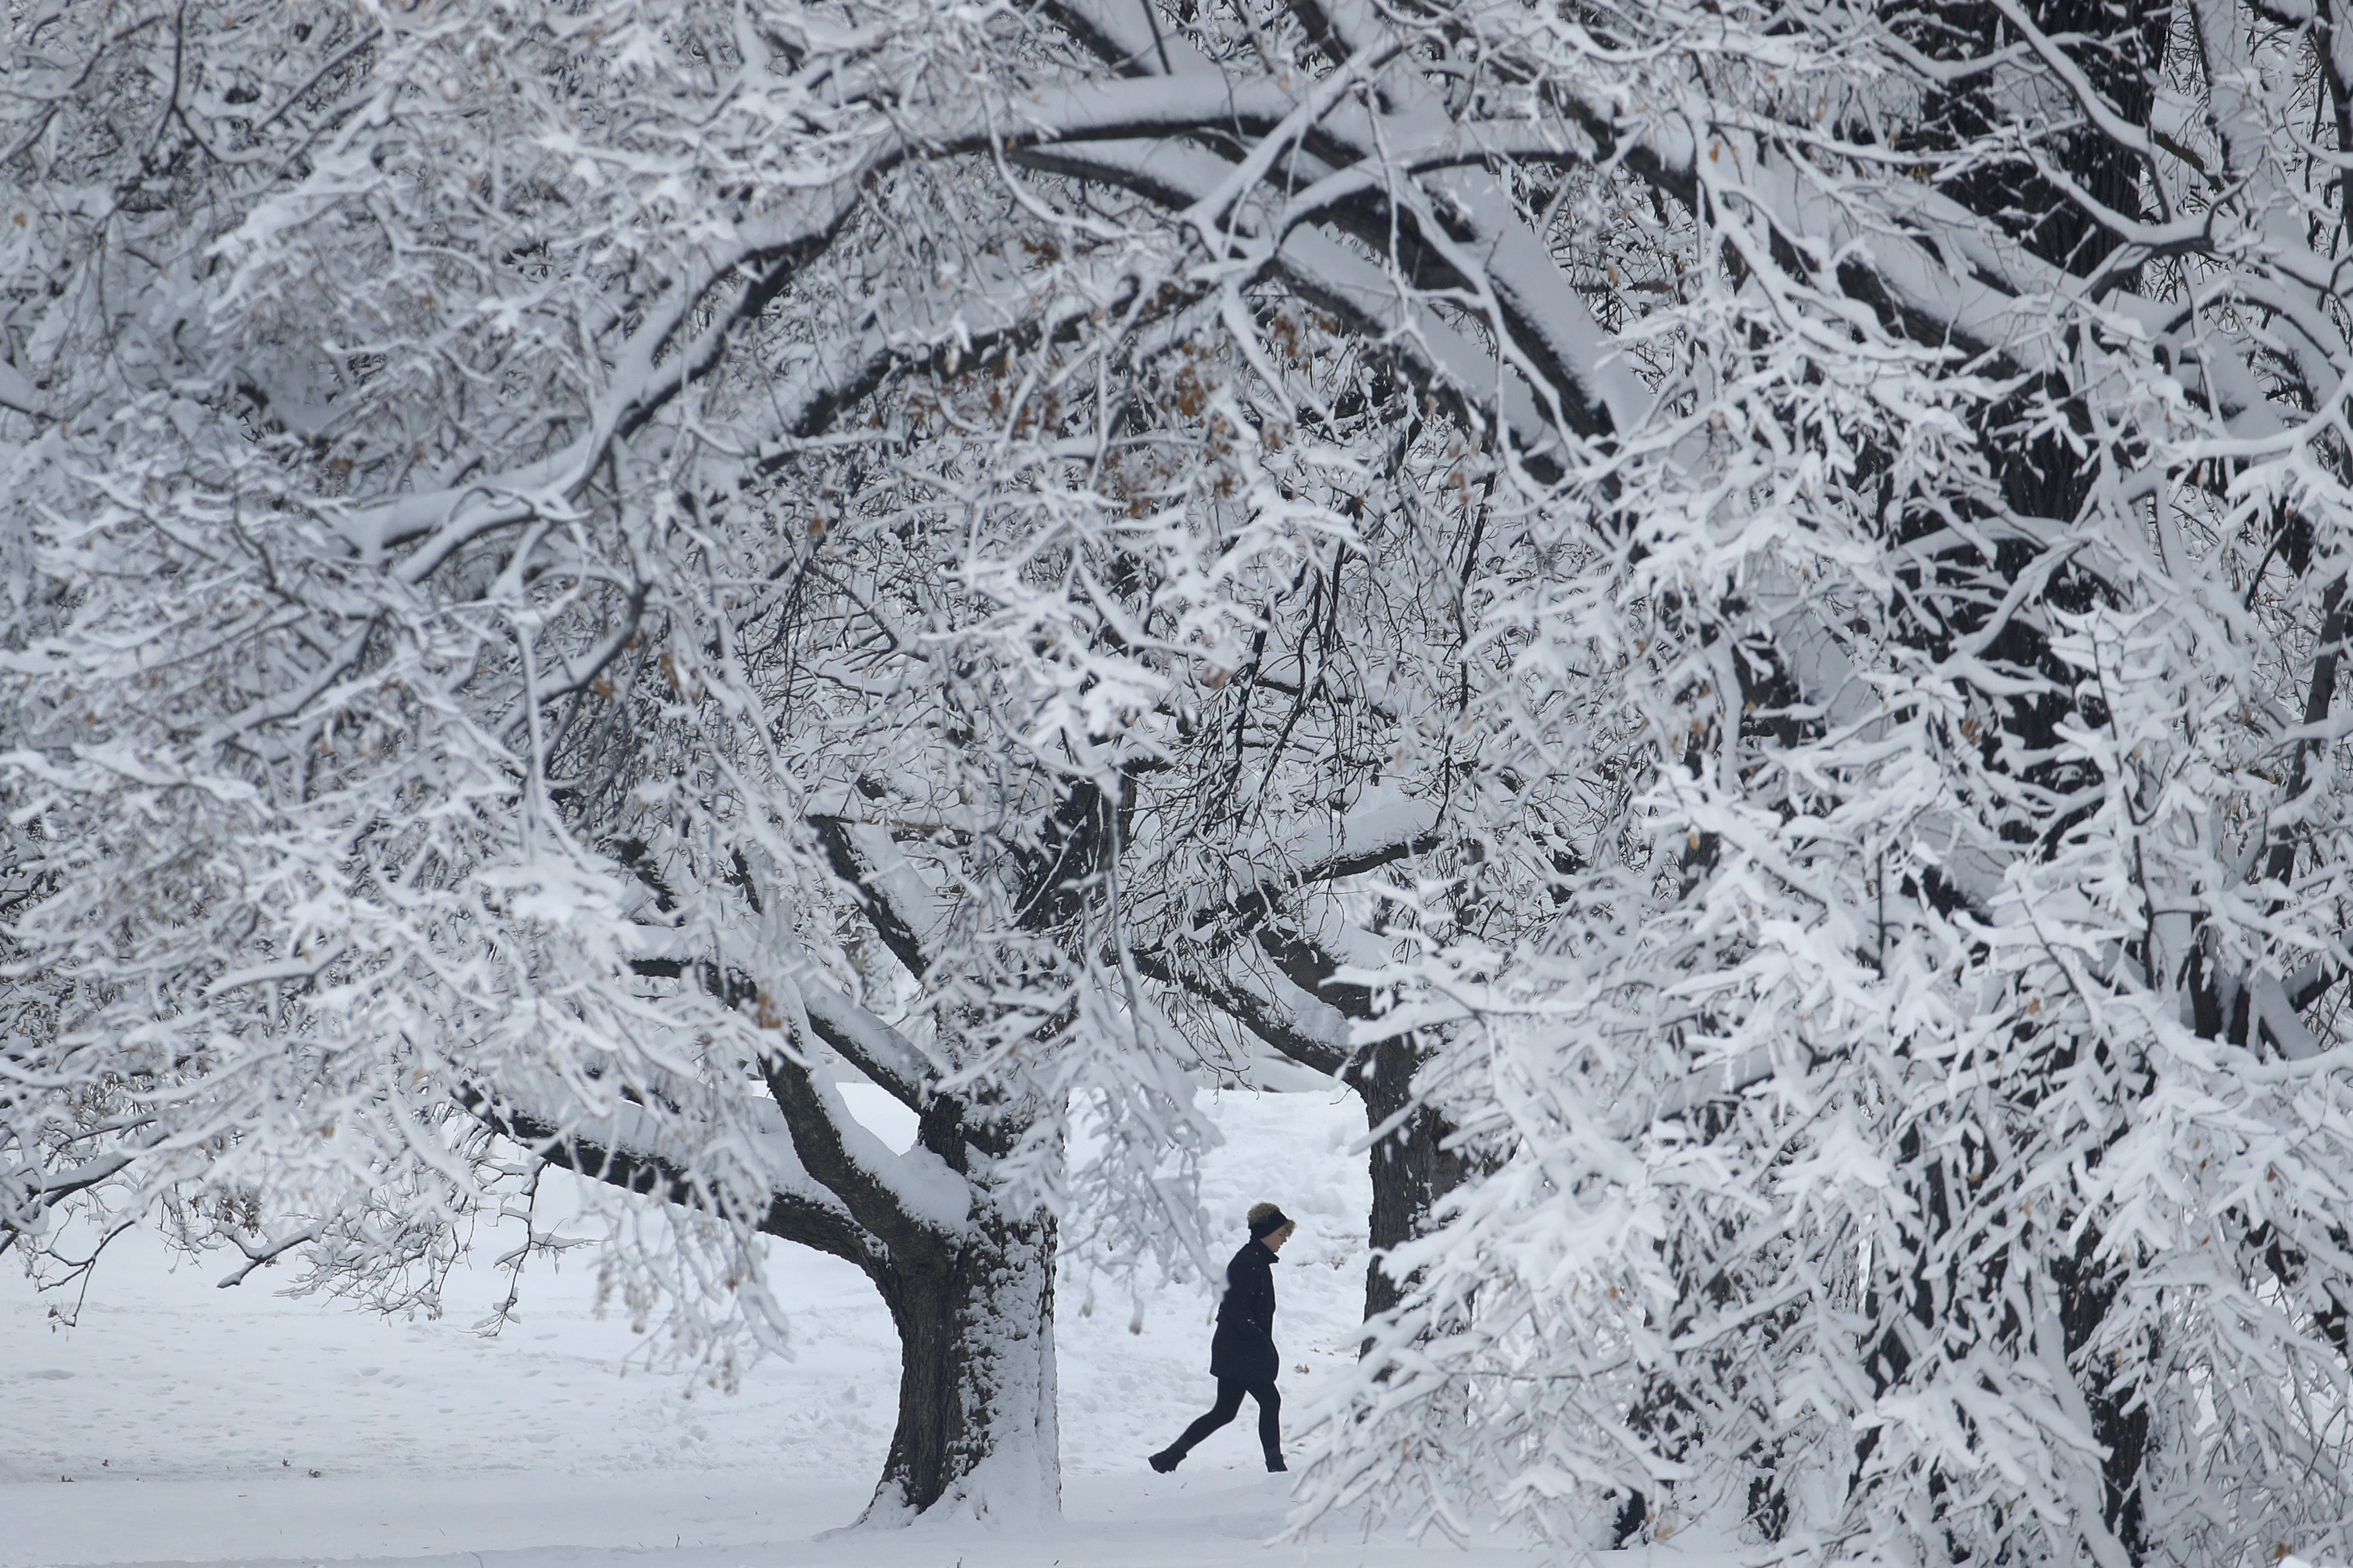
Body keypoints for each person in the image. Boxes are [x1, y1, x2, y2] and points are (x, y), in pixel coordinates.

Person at [1150, 1201, 1295, 1474]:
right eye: (1281, 1234)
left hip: (1235, 1350)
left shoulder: (1256, 1261)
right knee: (1270, 1401)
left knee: (1224, 1412)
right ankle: (1276, 1468)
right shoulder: (1248, 1263)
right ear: (1265, 1233)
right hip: (1241, 1352)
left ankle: (1169, 1456)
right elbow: (1237, 1311)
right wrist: (1261, 1344)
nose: (1284, 1240)